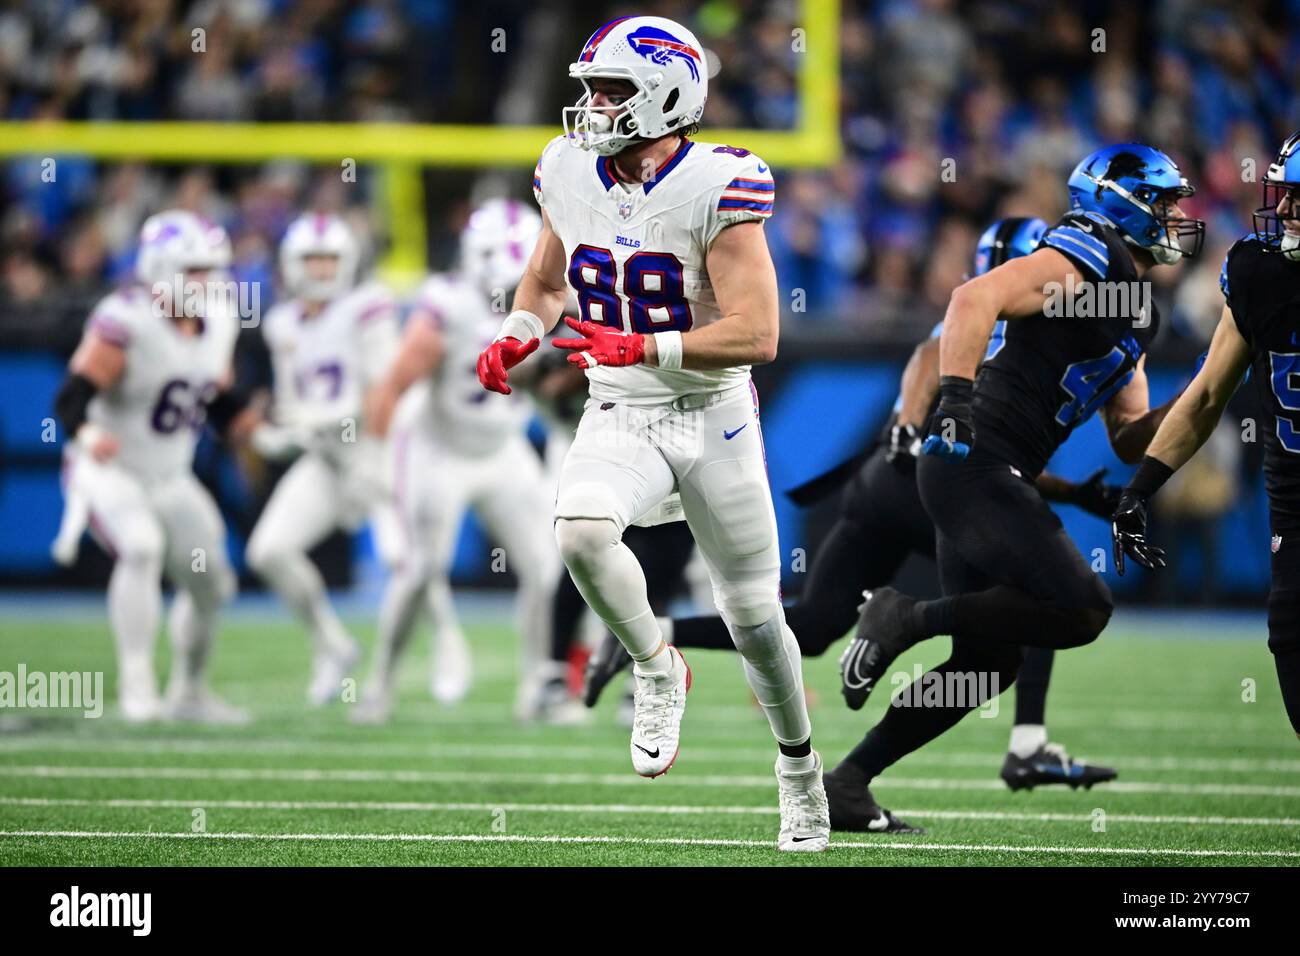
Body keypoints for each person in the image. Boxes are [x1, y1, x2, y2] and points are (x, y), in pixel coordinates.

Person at [584, 217, 1120, 791]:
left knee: (816, 624)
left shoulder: (997, 314)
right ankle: (1022, 741)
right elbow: (933, 361)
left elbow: (991, 446)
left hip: (885, 481)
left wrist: (915, 430)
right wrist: (913, 424)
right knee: (1029, 591)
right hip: (927, 484)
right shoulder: (1004, 320)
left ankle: (660, 631)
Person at [474, 15, 830, 851]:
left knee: (753, 617)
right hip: (621, 407)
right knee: (582, 531)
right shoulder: (567, 167)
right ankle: (655, 662)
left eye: (612, 90)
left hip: (713, 418)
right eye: (591, 87)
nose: (592, 106)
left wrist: (646, 343)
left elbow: (759, 335)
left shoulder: (720, 183)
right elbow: (546, 276)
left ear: (668, 95)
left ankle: (800, 776)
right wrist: (519, 332)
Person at [826, 144, 1203, 829]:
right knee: (1083, 607)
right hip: (977, 458)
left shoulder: (1137, 306)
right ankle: (903, 617)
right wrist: (959, 404)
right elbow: (975, 296)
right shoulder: (1093, 249)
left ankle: (847, 784)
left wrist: (1209, 394)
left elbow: (1128, 435)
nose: (1179, 215)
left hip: (990, 472)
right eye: (1166, 200)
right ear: (1122, 202)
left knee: (989, 662)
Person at [1113, 130, 1300, 738]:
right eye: (1284, 195)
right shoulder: (1259, 270)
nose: (1284, 210)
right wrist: (1141, 487)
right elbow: (1205, 397)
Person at [359, 198, 562, 724]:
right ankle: (380, 683)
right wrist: (378, 466)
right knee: (420, 570)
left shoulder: (555, 296)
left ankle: (540, 685)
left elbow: (549, 379)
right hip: (440, 448)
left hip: (503, 449)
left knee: (546, 568)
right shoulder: (446, 307)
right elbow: (392, 387)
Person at [52, 209, 255, 723]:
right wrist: (89, 432)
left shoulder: (220, 320)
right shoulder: (125, 320)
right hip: (109, 469)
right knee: (141, 548)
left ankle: (189, 691)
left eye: (210, 270)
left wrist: (255, 426)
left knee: (211, 582)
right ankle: (137, 684)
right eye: (193, 271)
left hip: (169, 476)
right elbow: (71, 399)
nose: (205, 283)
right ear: (159, 269)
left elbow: (208, 397)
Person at [244, 213, 398, 706]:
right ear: (292, 263)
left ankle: (408, 672)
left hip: (382, 452)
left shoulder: (367, 307)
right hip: (329, 461)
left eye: (330, 258)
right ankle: (331, 644)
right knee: (268, 552)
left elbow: (383, 387)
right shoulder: (282, 323)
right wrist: (283, 434)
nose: (322, 268)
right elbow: (294, 405)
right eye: (312, 258)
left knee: (409, 564)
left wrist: (356, 444)